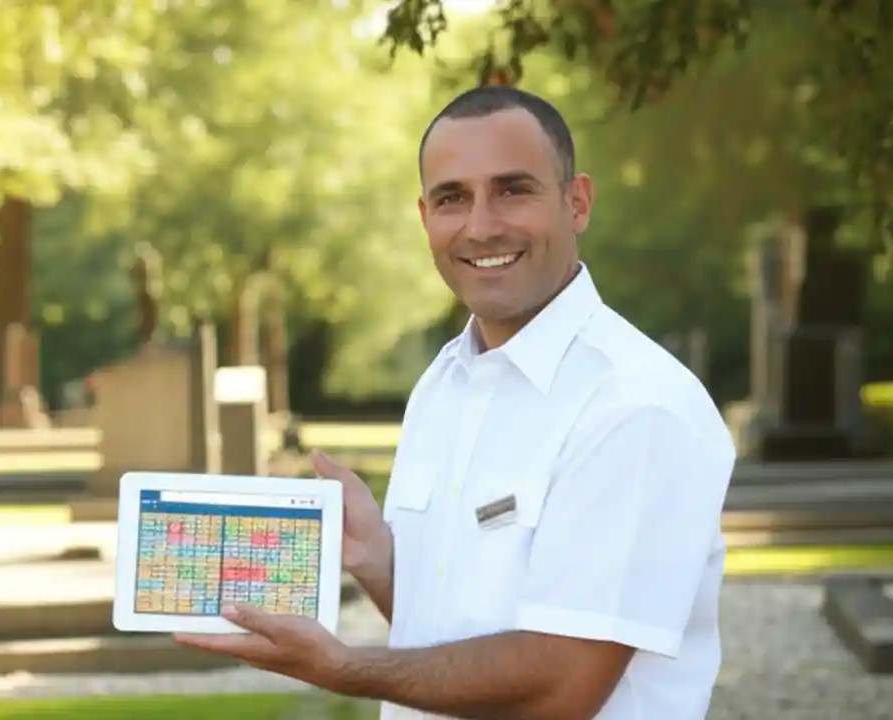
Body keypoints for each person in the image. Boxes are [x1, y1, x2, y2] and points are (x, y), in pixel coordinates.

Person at [175, 86, 736, 720]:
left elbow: (562, 686)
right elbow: (450, 634)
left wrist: (342, 667)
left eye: (513, 189)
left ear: (576, 202)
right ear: (425, 217)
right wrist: (382, 564)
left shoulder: (636, 405)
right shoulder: (445, 381)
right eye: (452, 199)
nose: (481, 225)